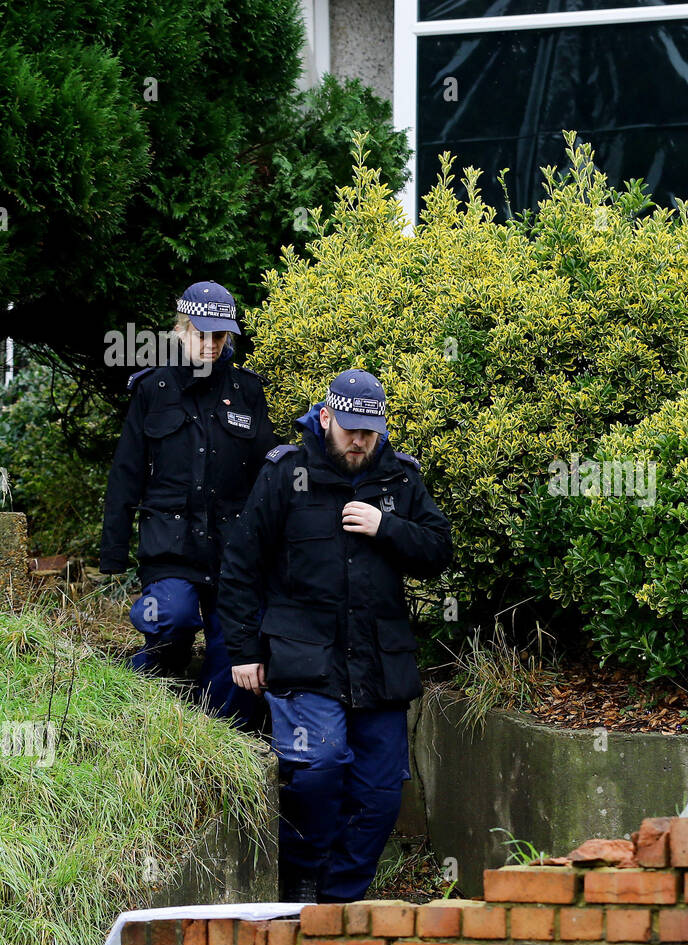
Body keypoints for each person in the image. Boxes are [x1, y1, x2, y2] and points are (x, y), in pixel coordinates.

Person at [217, 368, 452, 903]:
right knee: (319, 765)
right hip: (304, 658)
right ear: (325, 417)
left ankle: (339, 901)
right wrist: (244, 651)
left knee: (380, 795)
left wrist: (385, 527)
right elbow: (240, 565)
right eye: (350, 429)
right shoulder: (286, 472)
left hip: (379, 664)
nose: (359, 441)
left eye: (369, 431)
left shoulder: (401, 479)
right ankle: (300, 879)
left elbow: (439, 553)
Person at [99, 281, 277, 733]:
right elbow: (125, 474)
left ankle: (217, 739)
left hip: (232, 550)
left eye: (219, 336)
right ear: (180, 330)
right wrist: (113, 555)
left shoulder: (247, 390)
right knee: (171, 615)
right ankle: (144, 680)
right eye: (201, 334)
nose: (210, 344)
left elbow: (266, 477)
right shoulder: (153, 388)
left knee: (238, 645)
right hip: (170, 545)